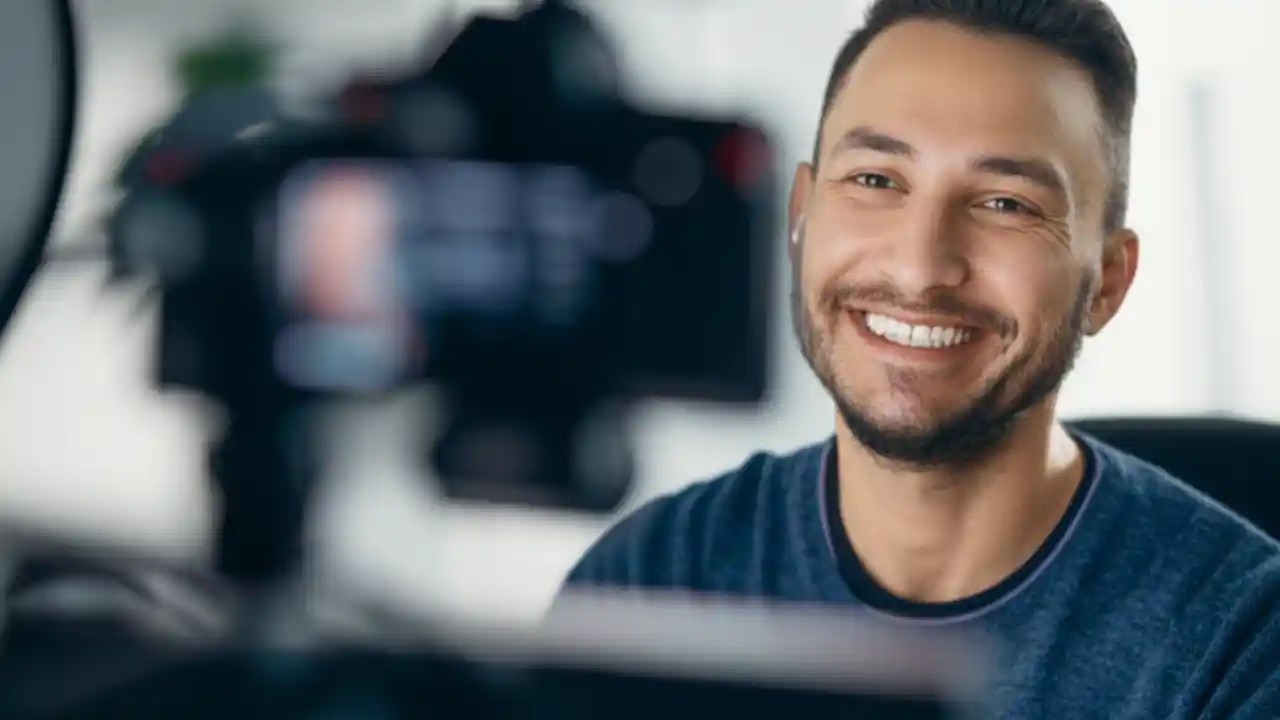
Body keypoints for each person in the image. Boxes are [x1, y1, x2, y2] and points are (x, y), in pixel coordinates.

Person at [560, 1, 1280, 716]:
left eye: (1005, 203)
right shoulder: (650, 583)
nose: (919, 268)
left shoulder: (1243, 647)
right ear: (800, 216)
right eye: (876, 180)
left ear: (1109, 283)